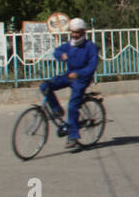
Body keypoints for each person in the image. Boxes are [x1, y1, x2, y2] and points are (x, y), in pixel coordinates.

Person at [40, 17, 98, 149]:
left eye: (77, 32)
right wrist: (61, 56)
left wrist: (79, 73)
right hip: (69, 75)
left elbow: (92, 66)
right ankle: (57, 110)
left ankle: (72, 137)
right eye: (73, 32)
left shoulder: (90, 47)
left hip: (82, 79)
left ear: (84, 32)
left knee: (72, 106)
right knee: (45, 86)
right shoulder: (70, 45)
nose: (75, 35)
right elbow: (57, 51)